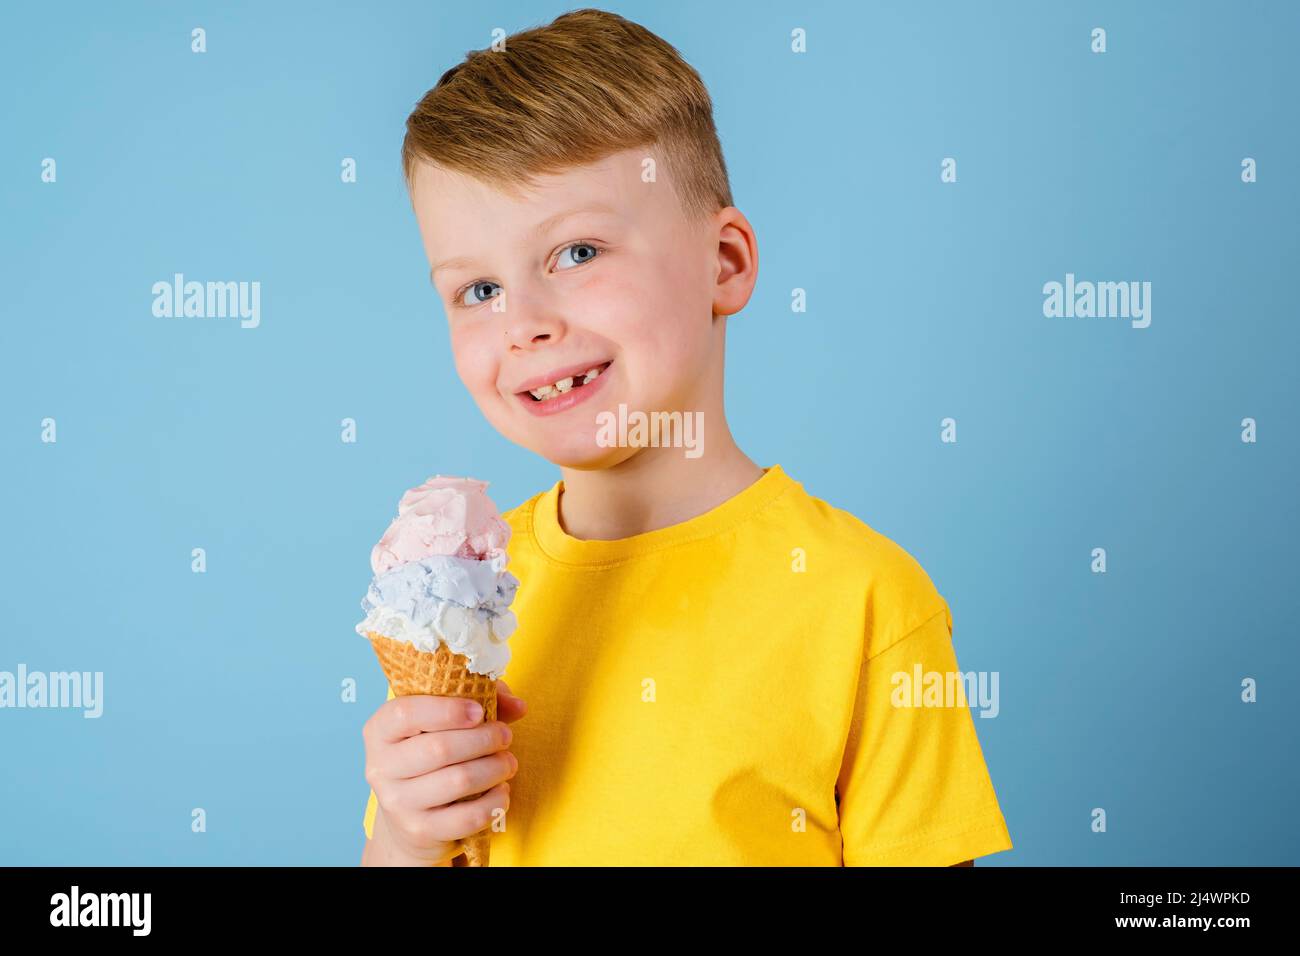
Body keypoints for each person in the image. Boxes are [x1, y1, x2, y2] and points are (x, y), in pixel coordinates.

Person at [360, 8, 1012, 867]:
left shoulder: (865, 603)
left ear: (726, 263)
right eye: (477, 290)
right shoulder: (465, 601)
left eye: (577, 252)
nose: (524, 323)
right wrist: (407, 837)